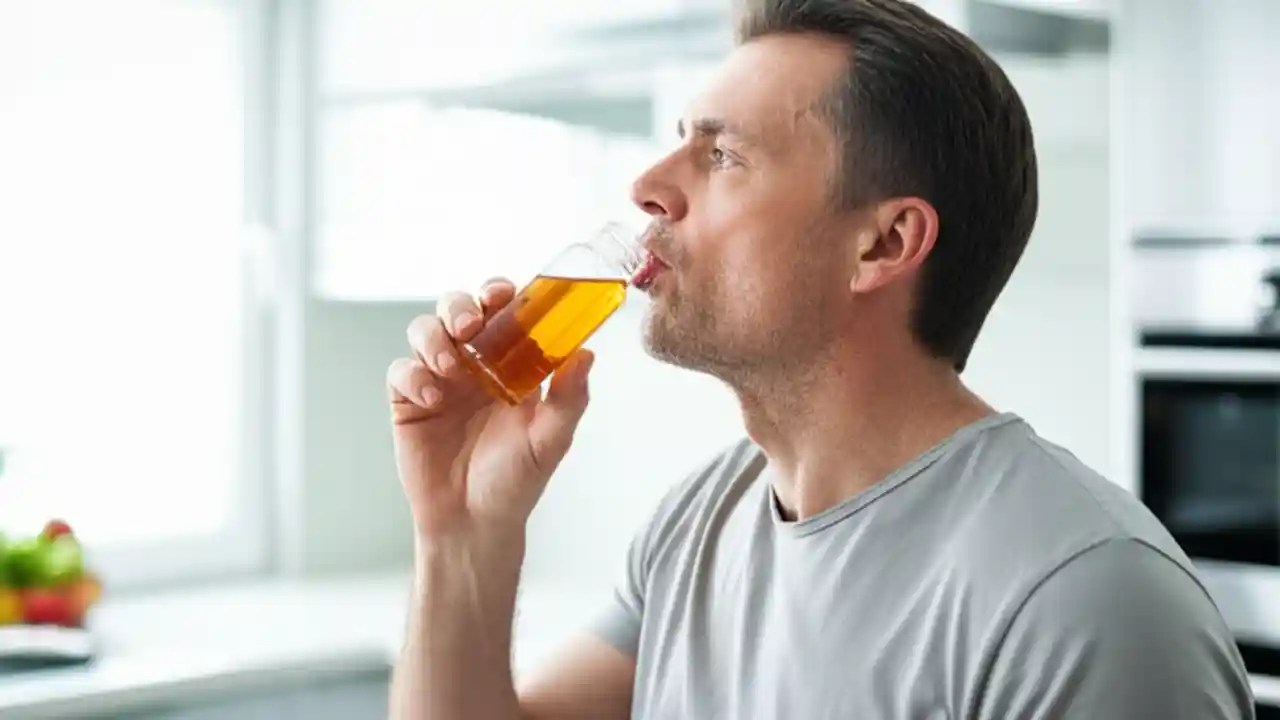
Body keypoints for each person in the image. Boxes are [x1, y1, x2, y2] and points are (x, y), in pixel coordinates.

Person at [385, 0, 1254, 717]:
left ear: (883, 243)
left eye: (721, 155)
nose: (648, 183)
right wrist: (463, 530)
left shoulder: (1085, 604)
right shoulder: (698, 525)